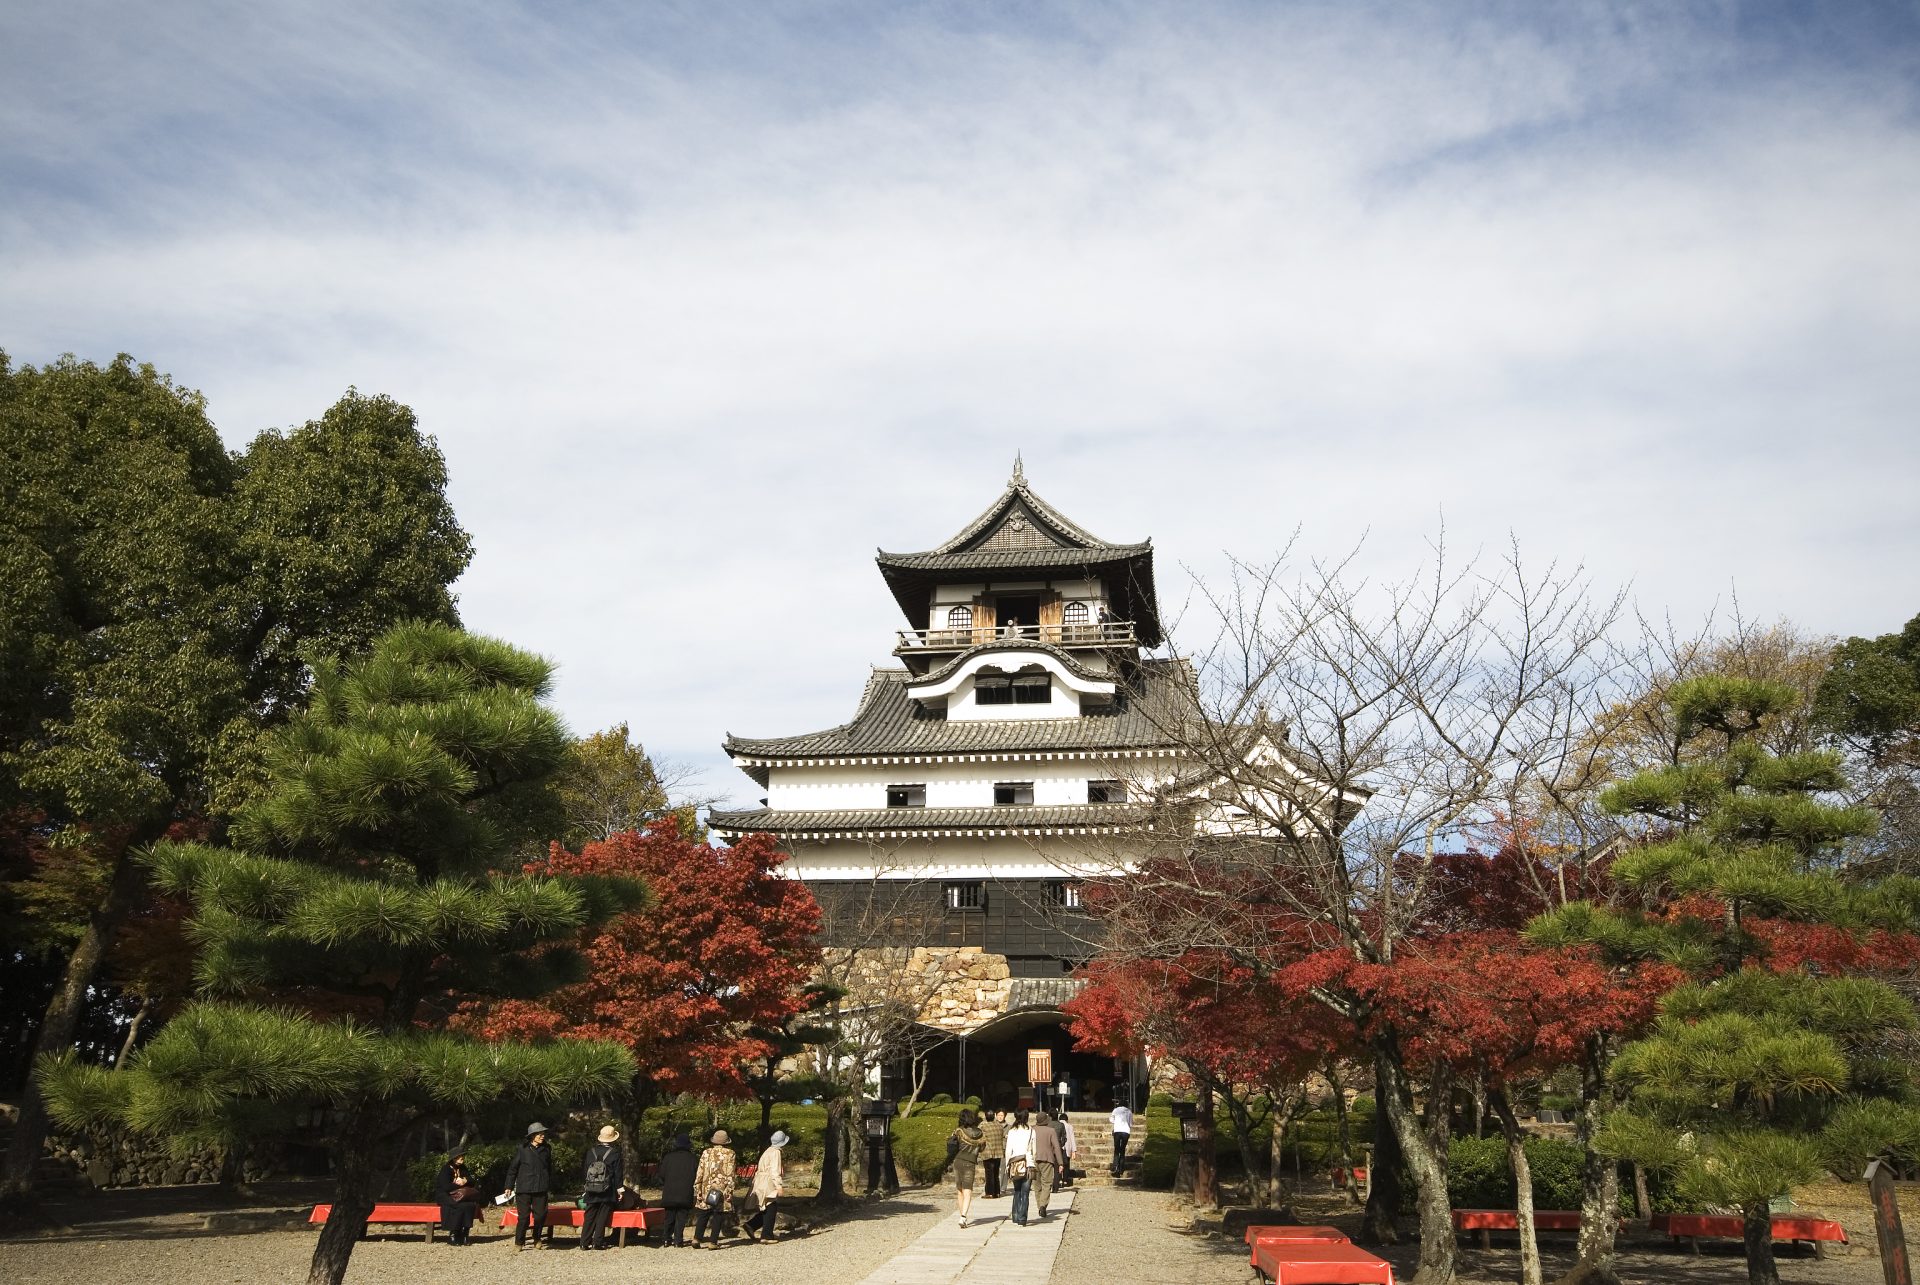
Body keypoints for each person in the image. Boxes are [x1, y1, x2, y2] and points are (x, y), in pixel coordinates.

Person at [503, 1122, 553, 1251]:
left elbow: (549, 1167)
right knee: (524, 1217)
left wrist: (548, 1183)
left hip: (541, 1187)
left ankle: (537, 1238)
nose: (542, 1136)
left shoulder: (547, 1149)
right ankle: (519, 1242)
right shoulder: (522, 1149)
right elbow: (513, 1168)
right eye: (539, 1134)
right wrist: (508, 1186)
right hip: (524, 1188)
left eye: (543, 1133)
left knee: (540, 1215)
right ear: (532, 1136)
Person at [578, 1124, 625, 1251]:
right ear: (613, 1139)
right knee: (602, 1215)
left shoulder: (590, 1152)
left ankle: (584, 1242)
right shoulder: (615, 1153)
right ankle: (597, 1242)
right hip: (607, 1189)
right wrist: (620, 1190)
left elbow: (585, 1171)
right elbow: (618, 1173)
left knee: (589, 1215)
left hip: (591, 1187)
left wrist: (586, 1187)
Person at [692, 1129, 737, 1249]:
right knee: (718, 1214)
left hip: (706, 1186)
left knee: (703, 1213)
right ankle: (713, 1242)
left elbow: (700, 1172)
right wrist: (730, 1190)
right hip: (721, 1189)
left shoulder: (706, 1152)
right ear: (726, 1142)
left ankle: (697, 1238)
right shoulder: (730, 1153)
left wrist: (698, 1187)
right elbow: (730, 1173)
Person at [432, 1146, 481, 1246]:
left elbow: (472, 1181)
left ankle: (465, 1235)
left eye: (462, 1156)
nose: (462, 1158)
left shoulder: (462, 1168)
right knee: (458, 1206)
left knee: (470, 1205)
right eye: (459, 1156)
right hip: (445, 1195)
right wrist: (459, 1184)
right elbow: (446, 1186)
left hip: (459, 1196)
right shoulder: (446, 1169)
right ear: (454, 1158)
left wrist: (465, 1180)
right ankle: (453, 1234)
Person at [747, 1129, 787, 1242]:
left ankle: (751, 1225)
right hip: (768, 1181)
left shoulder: (768, 1150)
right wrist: (779, 1186)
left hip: (761, 1180)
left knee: (767, 1206)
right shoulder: (776, 1152)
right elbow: (775, 1170)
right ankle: (766, 1235)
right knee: (771, 1207)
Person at [658, 1132, 697, 1246]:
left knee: (669, 1217)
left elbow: (662, 1174)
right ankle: (678, 1240)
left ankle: (666, 1238)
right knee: (681, 1217)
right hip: (685, 1192)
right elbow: (697, 1175)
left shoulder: (668, 1157)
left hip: (670, 1192)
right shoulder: (693, 1159)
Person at [950, 1109, 984, 1227]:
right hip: (970, 1163)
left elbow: (952, 1146)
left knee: (959, 1191)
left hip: (958, 1161)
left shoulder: (958, 1131)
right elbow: (982, 1148)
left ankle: (962, 1216)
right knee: (968, 1190)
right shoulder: (980, 1133)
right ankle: (963, 1216)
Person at [1003, 1110, 1036, 1226]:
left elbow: (1008, 1150)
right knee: (1025, 1192)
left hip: (1014, 1163)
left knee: (1017, 1191)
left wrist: (1007, 1164)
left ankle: (1015, 1215)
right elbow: (1034, 1150)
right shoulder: (1031, 1131)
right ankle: (1023, 1217)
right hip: (1028, 1163)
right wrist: (1032, 1160)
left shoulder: (1012, 1131)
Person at [1032, 1110, 1066, 1219]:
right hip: (1047, 1159)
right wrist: (1060, 1162)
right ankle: (1043, 1205)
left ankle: (1039, 1205)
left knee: (1037, 1185)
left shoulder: (1032, 1130)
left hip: (1033, 1159)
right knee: (1047, 1183)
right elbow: (1056, 1147)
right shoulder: (1051, 1131)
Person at [979, 1110, 1006, 1199]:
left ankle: (989, 1193)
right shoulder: (1000, 1126)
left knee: (989, 1173)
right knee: (996, 1173)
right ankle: (997, 1192)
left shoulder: (983, 1126)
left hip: (988, 1152)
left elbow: (981, 1139)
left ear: (986, 1117)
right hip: (998, 1152)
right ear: (994, 1116)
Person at [1109, 1099, 1133, 1177]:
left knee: (1117, 1150)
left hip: (1117, 1131)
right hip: (1126, 1132)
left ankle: (1115, 1167)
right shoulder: (1129, 1112)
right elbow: (1131, 1124)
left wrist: (1117, 1122)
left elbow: (1111, 1120)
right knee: (1122, 1150)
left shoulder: (1115, 1110)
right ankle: (1121, 1169)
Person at [1056, 1113, 1077, 1188]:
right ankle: (1065, 1180)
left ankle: (1059, 1180)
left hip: (1059, 1148)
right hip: (1068, 1148)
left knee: (1059, 1164)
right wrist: (1074, 1150)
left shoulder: (1057, 1125)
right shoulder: (1069, 1126)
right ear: (1066, 1119)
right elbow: (1072, 1139)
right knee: (1066, 1165)